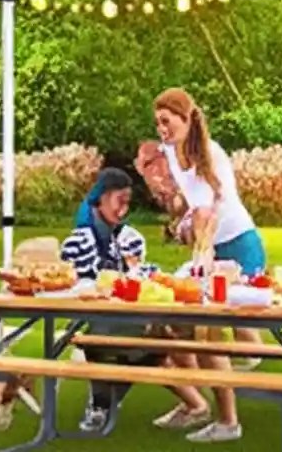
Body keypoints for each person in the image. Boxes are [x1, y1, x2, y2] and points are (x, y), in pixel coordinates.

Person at [148, 87, 267, 443]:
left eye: (166, 121)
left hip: (238, 246)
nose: (161, 129)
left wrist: (202, 252)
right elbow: (192, 207)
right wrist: (182, 223)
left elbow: (215, 206)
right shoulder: (171, 152)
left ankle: (228, 421)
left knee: (216, 330)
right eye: (157, 123)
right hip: (209, 247)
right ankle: (198, 405)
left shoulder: (212, 153)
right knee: (181, 323)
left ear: (186, 119)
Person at [62, 168, 211, 434]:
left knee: (147, 343)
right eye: (120, 200)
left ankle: (102, 406)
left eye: (128, 202)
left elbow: (137, 273)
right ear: (103, 197)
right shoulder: (80, 240)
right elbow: (77, 283)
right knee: (140, 345)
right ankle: (194, 403)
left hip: (123, 317)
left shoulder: (126, 237)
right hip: (99, 319)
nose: (124, 209)